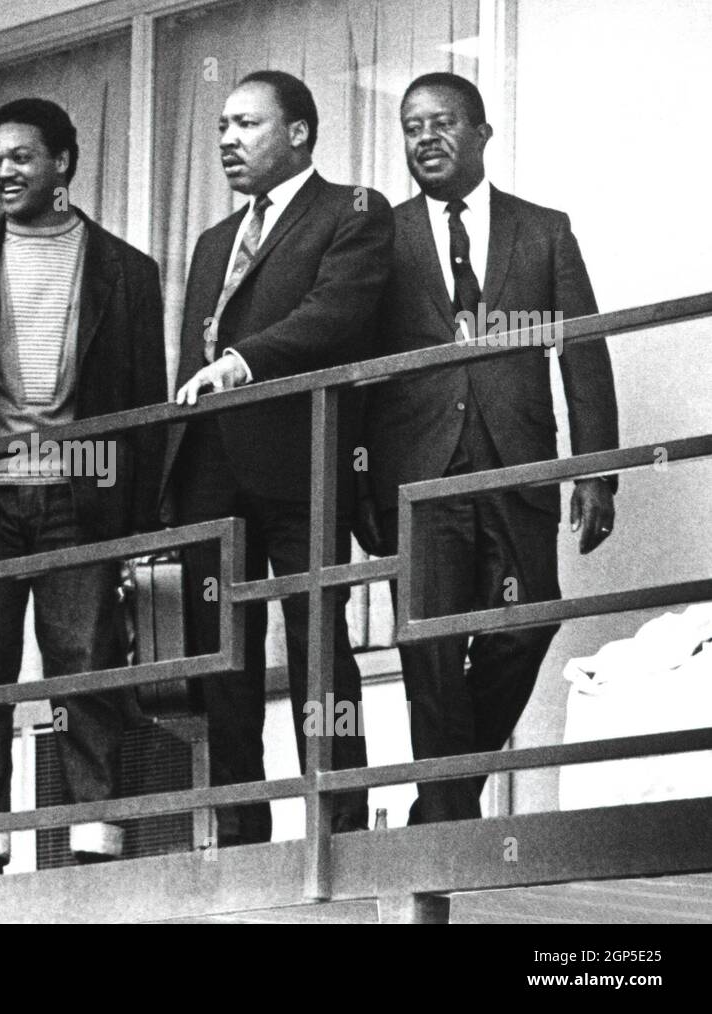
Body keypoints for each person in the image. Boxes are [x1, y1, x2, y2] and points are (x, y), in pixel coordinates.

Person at [0, 98, 166, 876]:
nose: (4, 172)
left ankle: (93, 840)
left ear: (63, 164)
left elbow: (145, 407)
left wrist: (140, 522)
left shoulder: (126, 269)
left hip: (81, 498)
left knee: (85, 666)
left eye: (21, 157)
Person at [357, 73, 619, 824]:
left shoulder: (544, 229)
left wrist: (596, 472)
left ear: (480, 133)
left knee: (530, 618)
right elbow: (356, 374)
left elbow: (583, 354)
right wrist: (360, 487)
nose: (425, 138)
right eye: (411, 126)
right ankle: (446, 824)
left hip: (519, 463)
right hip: (418, 477)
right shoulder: (381, 237)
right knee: (430, 651)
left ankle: (441, 803)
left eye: (442, 122)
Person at [164, 71, 393, 845]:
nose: (227, 140)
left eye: (247, 125)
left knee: (318, 649)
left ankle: (338, 824)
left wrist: (240, 363)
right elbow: (185, 367)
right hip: (208, 473)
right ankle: (237, 831)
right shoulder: (209, 242)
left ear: (298, 132)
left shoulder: (353, 211)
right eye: (222, 126)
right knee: (218, 658)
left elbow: (335, 316)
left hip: (305, 463)